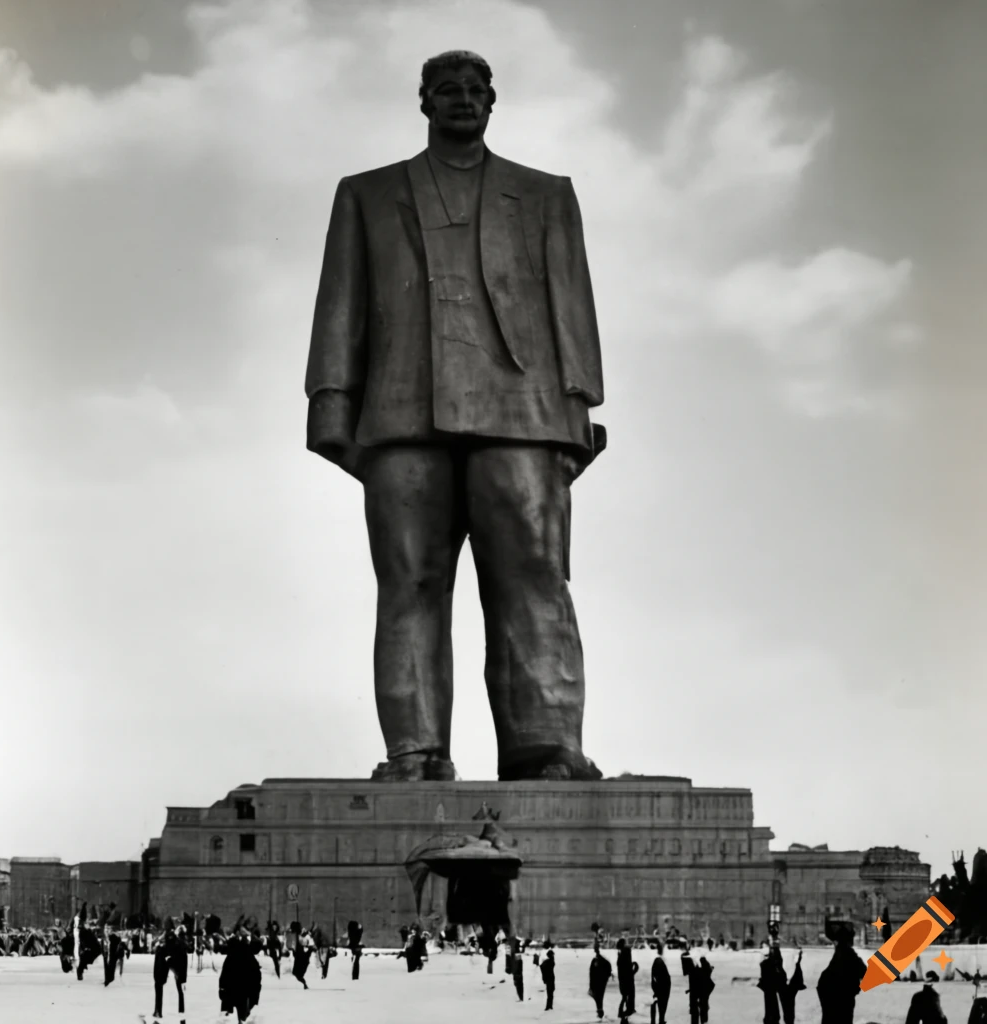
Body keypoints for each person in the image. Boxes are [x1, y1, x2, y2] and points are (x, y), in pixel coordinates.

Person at [305, 48, 607, 785]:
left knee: (533, 575)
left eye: (476, 89)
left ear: (492, 101)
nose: (464, 99)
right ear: (425, 101)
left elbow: (572, 306)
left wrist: (578, 407)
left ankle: (546, 743)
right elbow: (341, 299)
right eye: (448, 89)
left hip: (524, 412)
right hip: (402, 409)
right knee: (409, 581)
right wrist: (330, 404)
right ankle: (415, 748)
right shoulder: (368, 194)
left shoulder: (544, 195)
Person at [816, 927, 866, 1024]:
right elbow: (864, 972)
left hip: (827, 990)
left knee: (829, 1019)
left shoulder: (839, 952)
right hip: (842, 994)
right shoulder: (849, 954)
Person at [219, 927, 262, 1022]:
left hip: (239, 981)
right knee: (242, 1004)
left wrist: (222, 987)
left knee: (241, 1003)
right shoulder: (244, 950)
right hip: (242, 982)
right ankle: (242, 1015)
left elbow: (225, 971)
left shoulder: (237, 950)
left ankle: (241, 1015)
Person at [758, 946, 787, 1023]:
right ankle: (773, 1018)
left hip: (769, 985)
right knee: (773, 1001)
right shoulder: (776, 962)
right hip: (773, 984)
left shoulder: (766, 963)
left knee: (770, 1001)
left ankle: (771, 1018)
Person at [616, 938, 639, 1017]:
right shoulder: (625, 952)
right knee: (628, 995)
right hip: (627, 978)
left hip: (622, 979)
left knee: (625, 996)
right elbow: (628, 969)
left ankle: (625, 1010)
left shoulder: (620, 955)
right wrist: (634, 968)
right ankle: (626, 1010)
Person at [589, 948, 613, 1020]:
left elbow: (591, 973)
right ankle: (600, 1010)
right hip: (601, 982)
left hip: (598, 982)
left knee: (598, 996)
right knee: (599, 996)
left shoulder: (596, 961)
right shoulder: (602, 961)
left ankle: (600, 1010)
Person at [652, 945, 672, 1024]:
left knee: (661, 1004)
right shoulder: (660, 960)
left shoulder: (658, 959)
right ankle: (661, 1019)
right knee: (663, 1004)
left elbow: (653, 975)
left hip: (661, 984)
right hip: (663, 985)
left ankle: (660, 1019)